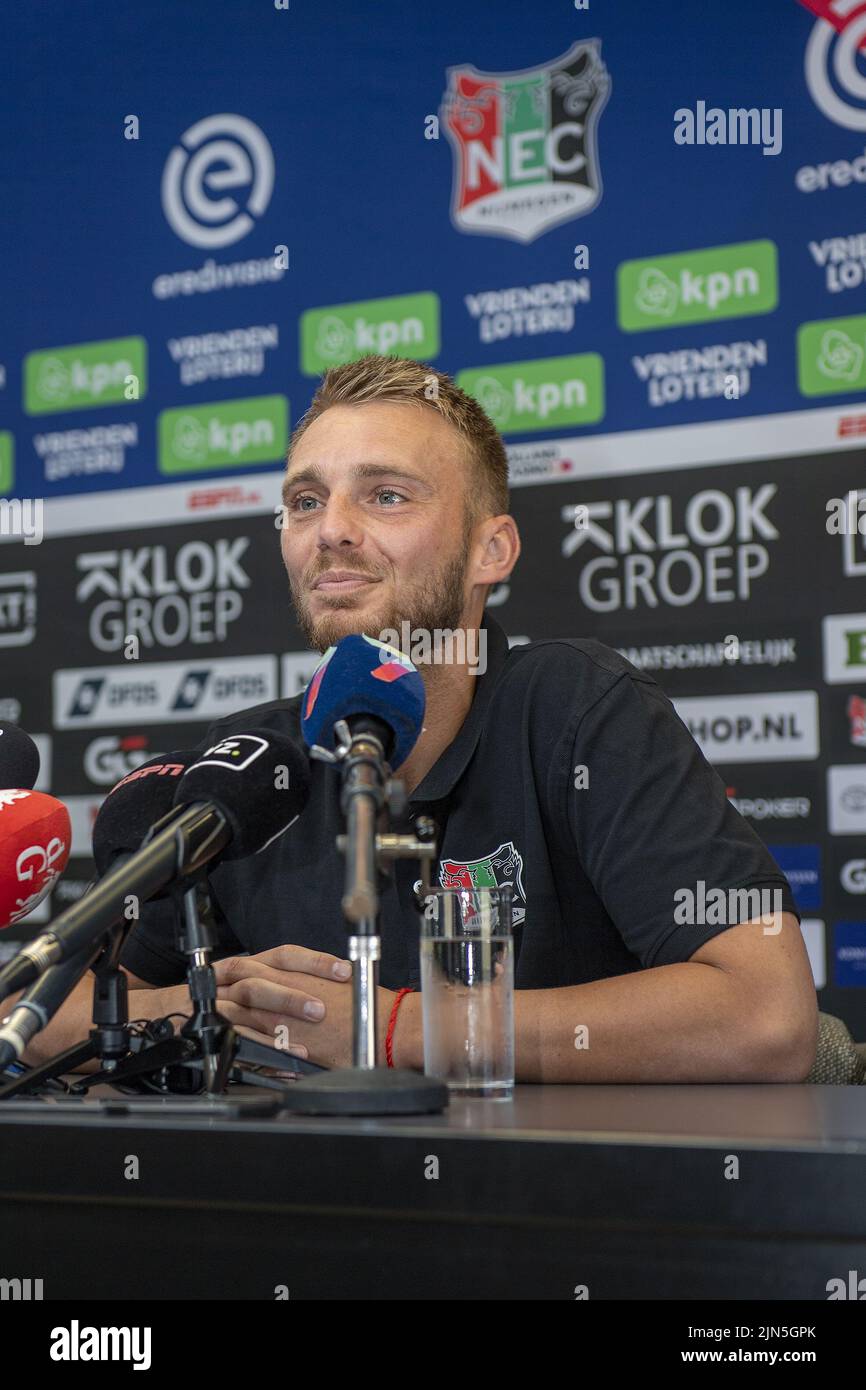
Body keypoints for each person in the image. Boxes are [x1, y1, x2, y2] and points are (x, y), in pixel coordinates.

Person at [29, 355, 818, 1082]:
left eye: (386, 495)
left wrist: (391, 1028)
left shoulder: (580, 711)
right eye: (305, 501)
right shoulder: (246, 767)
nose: (330, 528)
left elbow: (766, 1017)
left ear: (492, 550)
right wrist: (219, 1011)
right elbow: (31, 1016)